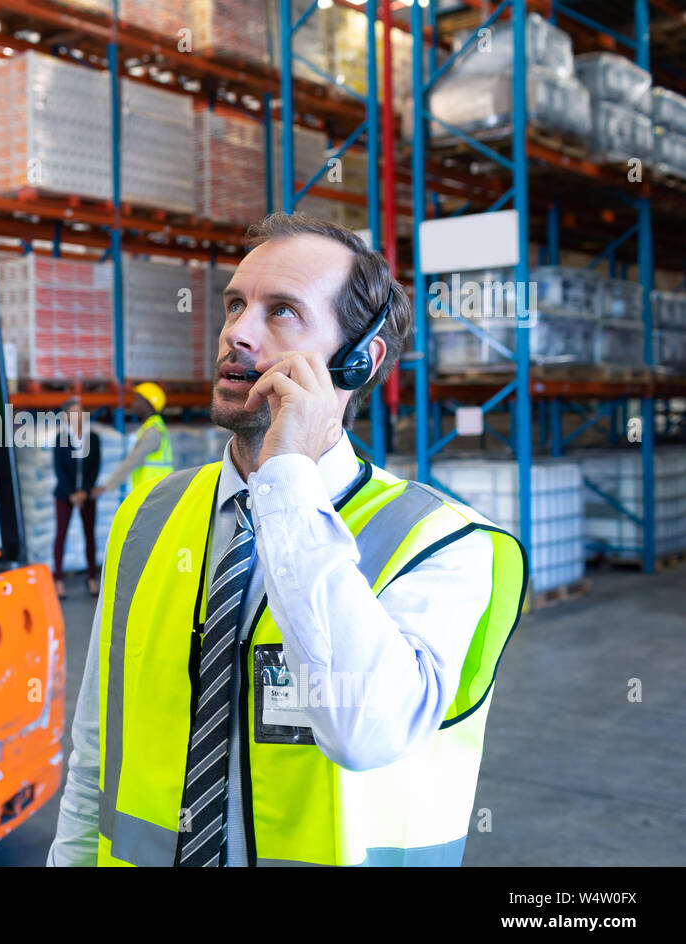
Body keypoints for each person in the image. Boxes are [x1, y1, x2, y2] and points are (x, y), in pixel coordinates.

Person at [48, 212, 528, 867]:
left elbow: (364, 729)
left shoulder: (448, 546)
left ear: (358, 361)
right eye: (237, 304)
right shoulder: (149, 517)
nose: (237, 333)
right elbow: (97, 748)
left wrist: (288, 480)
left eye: (282, 313)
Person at [51, 396, 101, 598]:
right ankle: (59, 580)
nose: (78, 415)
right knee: (60, 536)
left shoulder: (93, 438)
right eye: (74, 412)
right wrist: (72, 493)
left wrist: (85, 492)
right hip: (65, 495)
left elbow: (96, 466)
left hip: (86, 495)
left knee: (89, 536)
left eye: (81, 411)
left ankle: (91, 578)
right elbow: (59, 468)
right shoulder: (61, 438)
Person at [91, 381, 172, 498]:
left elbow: (133, 460)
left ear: (147, 403)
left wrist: (107, 486)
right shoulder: (149, 428)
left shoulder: (153, 432)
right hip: (152, 493)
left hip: (154, 494)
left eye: (137, 399)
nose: (133, 403)